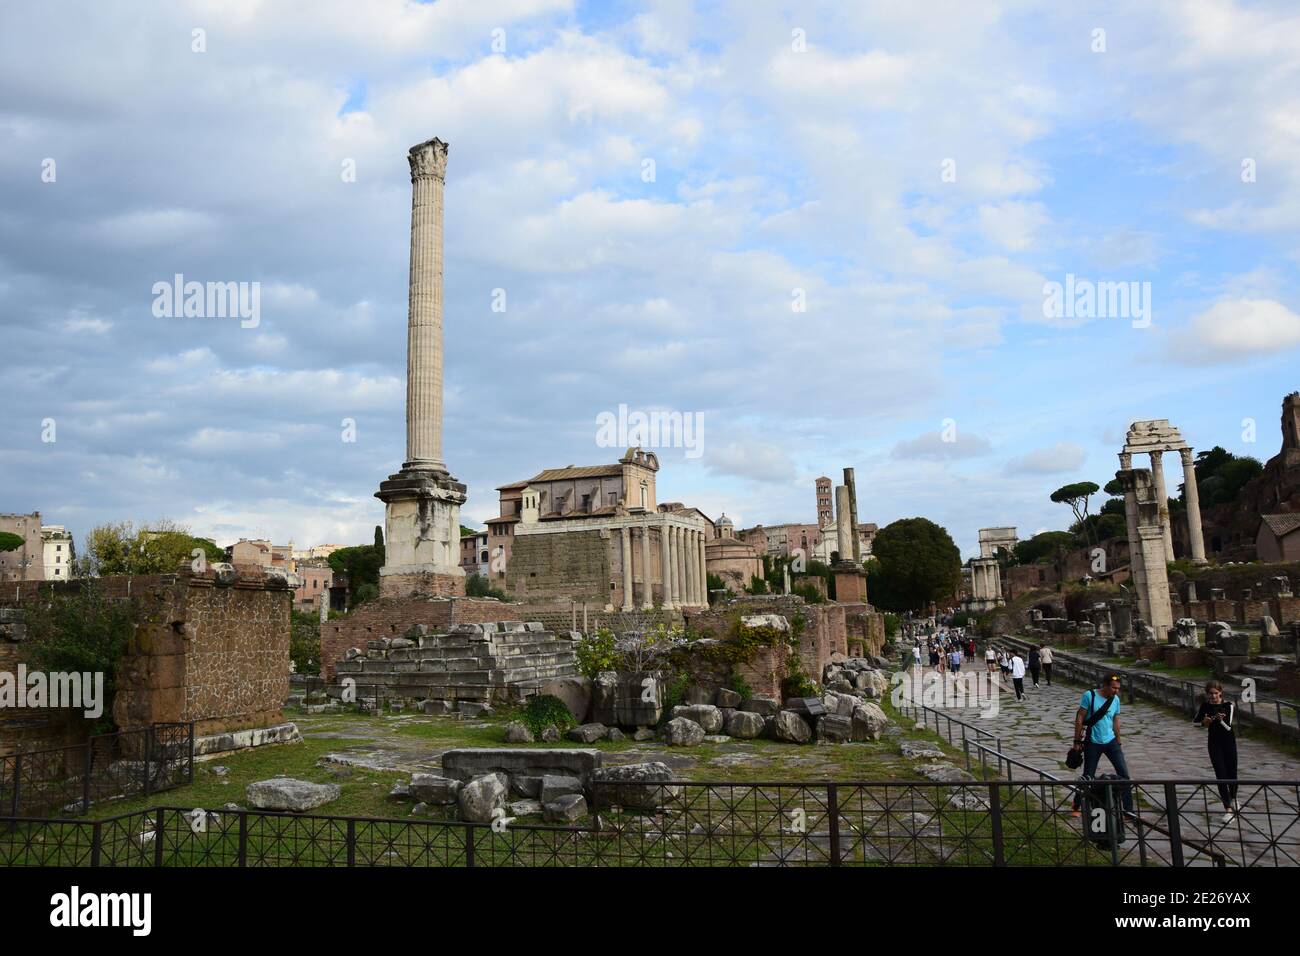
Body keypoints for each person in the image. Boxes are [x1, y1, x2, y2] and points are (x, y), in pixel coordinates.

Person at [1070, 674, 1133, 813]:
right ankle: (1076, 804)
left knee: (1124, 775)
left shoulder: (1115, 699)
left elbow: (1116, 720)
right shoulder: (1090, 695)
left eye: (1118, 688)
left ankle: (1129, 810)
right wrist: (1076, 741)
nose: (1116, 691)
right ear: (1105, 685)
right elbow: (1080, 717)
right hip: (1093, 741)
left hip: (1111, 741)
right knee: (1088, 775)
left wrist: (1118, 740)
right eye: (1113, 687)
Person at [1193, 681, 1238, 823]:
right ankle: (1228, 810)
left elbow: (1229, 727)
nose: (1213, 696)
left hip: (1228, 743)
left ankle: (1233, 797)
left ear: (1220, 692)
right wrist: (1203, 723)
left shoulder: (1228, 706)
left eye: (1215, 693)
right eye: (1210, 693)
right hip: (1214, 743)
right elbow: (1195, 722)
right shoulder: (1205, 706)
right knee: (1220, 773)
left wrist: (1220, 721)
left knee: (1232, 773)